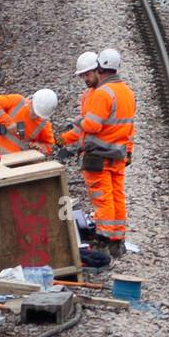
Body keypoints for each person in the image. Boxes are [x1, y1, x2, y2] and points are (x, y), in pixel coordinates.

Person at [55, 49, 135, 256]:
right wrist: (129, 151)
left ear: (99, 68)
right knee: (117, 196)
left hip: (98, 155)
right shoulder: (126, 91)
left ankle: (103, 240)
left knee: (102, 198)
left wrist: (75, 124)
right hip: (118, 154)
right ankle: (117, 240)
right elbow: (128, 126)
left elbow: (92, 126)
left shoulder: (102, 93)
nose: (85, 79)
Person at [0, 89, 58, 156]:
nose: (35, 116)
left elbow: (50, 146)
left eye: (39, 115)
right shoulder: (17, 101)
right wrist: (8, 123)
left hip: (17, 161)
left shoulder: (44, 125)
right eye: (34, 111)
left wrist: (40, 146)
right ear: (31, 101)